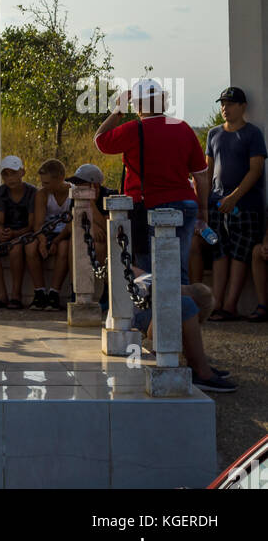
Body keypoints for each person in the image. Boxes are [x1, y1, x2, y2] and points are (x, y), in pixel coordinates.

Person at [94, 78, 208, 282]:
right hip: (185, 205)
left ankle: (156, 314)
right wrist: (203, 211)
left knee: (149, 274)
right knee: (179, 269)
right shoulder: (183, 127)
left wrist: (118, 111)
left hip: (148, 207)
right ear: (163, 101)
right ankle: (184, 312)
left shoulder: (132, 130)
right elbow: (200, 176)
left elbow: (100, 140)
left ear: (137, 105)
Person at [200, 88, 266, 322]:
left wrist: (235, 197)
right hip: (217, 204)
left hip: (245, 205)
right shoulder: (213, 134)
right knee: (219, 253)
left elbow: (256, 170)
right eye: (222, 104)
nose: (225, 109)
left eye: (230, 104)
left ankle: (230, 306)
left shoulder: (252, 134)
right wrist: (205, 204)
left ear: (242, 106)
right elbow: (207, 171)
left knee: (240, 254)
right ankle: (215, 304)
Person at [131, 272, 236, 393]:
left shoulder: (158, 277)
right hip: (133, 324)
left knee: (181, 306)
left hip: (134, 317)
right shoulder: (173, 293)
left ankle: (195, 364)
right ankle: (202, 373)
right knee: (185, 306)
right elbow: (152, 334)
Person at [0, 155, 36, 310]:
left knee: (15, 247)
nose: (10, 178)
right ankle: (0, 294)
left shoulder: (32, 192)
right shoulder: (0, 193)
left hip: (23, 235)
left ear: (22, 172)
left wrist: (15, 234)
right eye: (6, 174)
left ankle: (16, 295)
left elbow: (32, 225)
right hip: (8, 234)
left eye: (13, 173)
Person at [25, 159, 72, 311]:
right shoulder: (42, 194)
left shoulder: (73, 193)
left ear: (60, 179)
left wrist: (57, 241)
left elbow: (72, 224)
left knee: (64, 248)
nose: (44, 186)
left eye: (47, 183)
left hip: (65, 234)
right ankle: (39, 292)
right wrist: (42, 240)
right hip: (46, 232)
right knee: (30, 248)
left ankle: (54, 293)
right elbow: (38, 223)